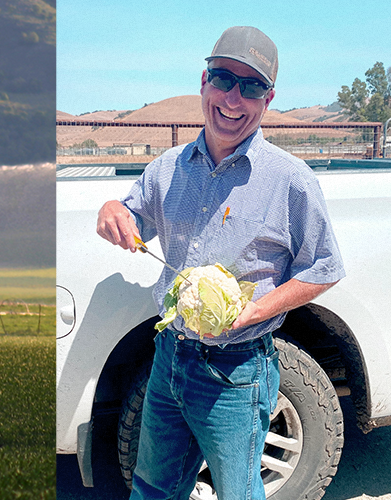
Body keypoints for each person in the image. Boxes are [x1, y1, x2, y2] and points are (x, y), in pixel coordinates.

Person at [93, 26, 344, 500]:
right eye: (224, 78)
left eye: (251, 86)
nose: (234, 98)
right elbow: (132, 216)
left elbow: (324, 268)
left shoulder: (290, 182)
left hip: (237, 371)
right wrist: (112, 211)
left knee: (238, 495)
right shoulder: (166, 168)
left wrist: (254, 312)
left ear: (267, 99)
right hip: (169, 358)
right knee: (151, 490)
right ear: (203, 82)